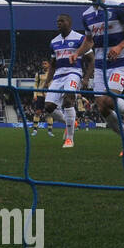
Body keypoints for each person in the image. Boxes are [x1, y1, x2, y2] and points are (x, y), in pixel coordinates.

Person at [70, 0, 124, 157]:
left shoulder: (117, 7)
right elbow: (88, 41)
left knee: (109, 100)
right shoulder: (86, 15)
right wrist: (77, 53)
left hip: (120, 62)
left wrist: (119, 46)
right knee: (102, 108)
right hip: (100, 65)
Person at [39, 14, 90, 149]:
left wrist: (86, 78)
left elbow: (91, 59)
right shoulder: (53, 42)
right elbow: (53, 64)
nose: (58, 23)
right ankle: (70, 123)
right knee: (49, 107)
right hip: (58, 76)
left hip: (74, 73)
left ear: (69, 22)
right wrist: (46, 82)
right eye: (57, 22)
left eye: (61, 21)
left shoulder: (80, 38)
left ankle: (69, 139)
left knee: (68, 100)